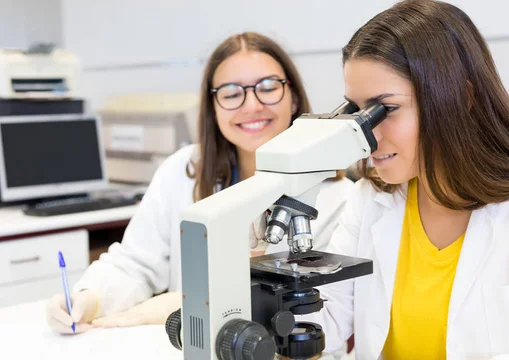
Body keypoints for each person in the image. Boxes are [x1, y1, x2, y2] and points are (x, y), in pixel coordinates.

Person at [307, 0, 509, 359]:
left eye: (388, 109)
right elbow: (321, 328)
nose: (367, 135)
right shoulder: (370, 197)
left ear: (462, 97)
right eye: (357, 111)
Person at [45, 32, 354, 334]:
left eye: (268, 87)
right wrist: (89, 299)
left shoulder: (336, 196)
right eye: (232, 93)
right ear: (213, 107)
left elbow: (326, 317)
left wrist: (181, 305)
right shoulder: (182, 170)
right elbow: (135, 262)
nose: (251, 105)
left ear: (294, 96)